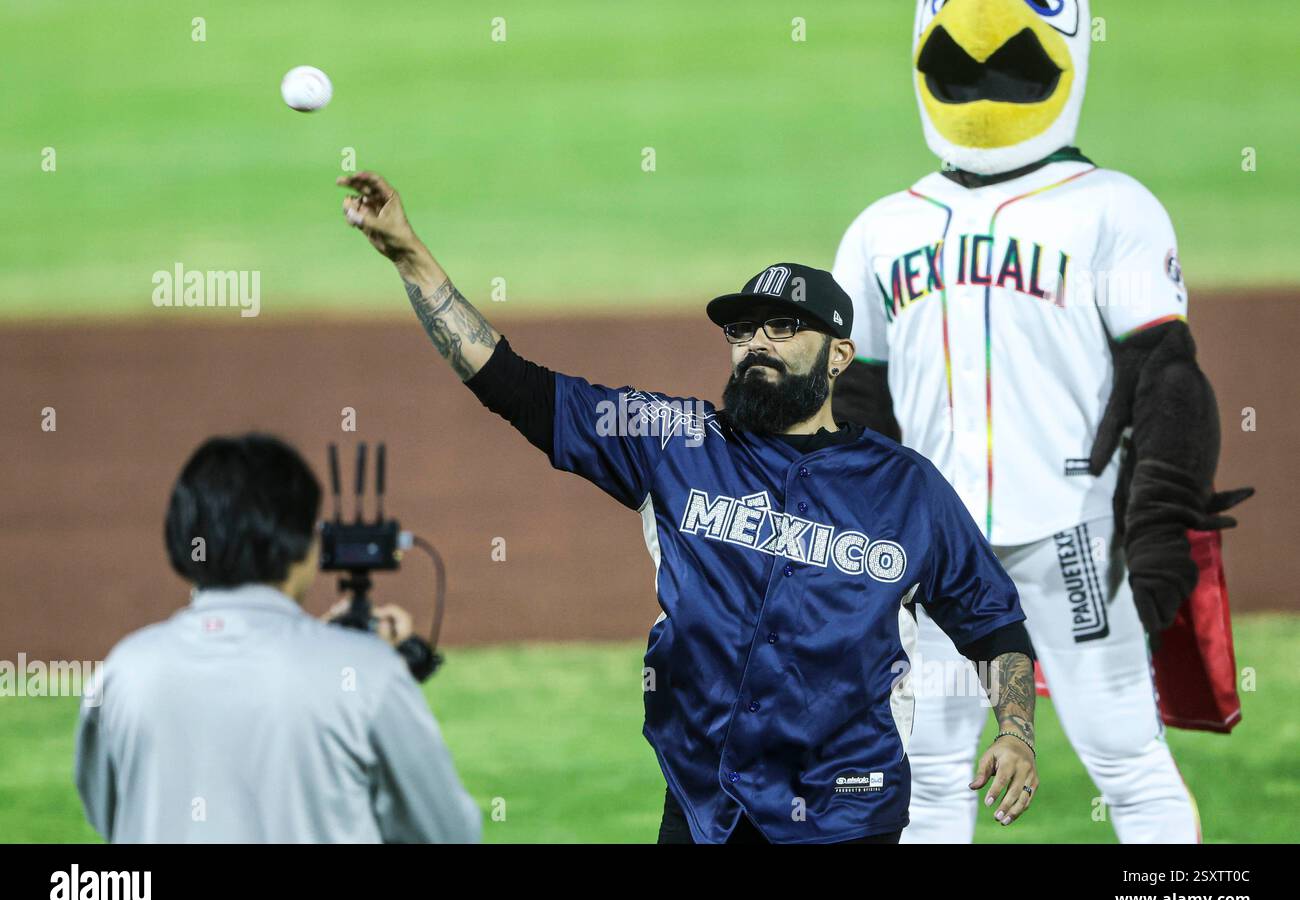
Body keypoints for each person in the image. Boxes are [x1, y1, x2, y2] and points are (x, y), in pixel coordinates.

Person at [339, 171, 1039, 844]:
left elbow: (993, 622)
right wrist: (410, 256)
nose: (756, 343)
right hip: (709, 807)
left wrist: (1015, 730)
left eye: (782, 329)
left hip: (847, 812)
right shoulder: (676, 442)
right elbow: (516, 386)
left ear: (839, 355)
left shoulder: (906, 489)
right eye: (743, 332)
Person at [831, 0, 1249, 843]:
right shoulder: (880, 229)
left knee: (1129, 761)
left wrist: (1162, 516)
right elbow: (854, 406)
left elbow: (1166, 378)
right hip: (938, 553)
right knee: (929, 774)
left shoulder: (1113, 208)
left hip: (1077, 540)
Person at [74, 433, 481, 843]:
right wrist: (365, 664)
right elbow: (448, 833)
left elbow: (112, 811)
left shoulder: (124, 671)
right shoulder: (368, 677)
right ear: (302, 546)